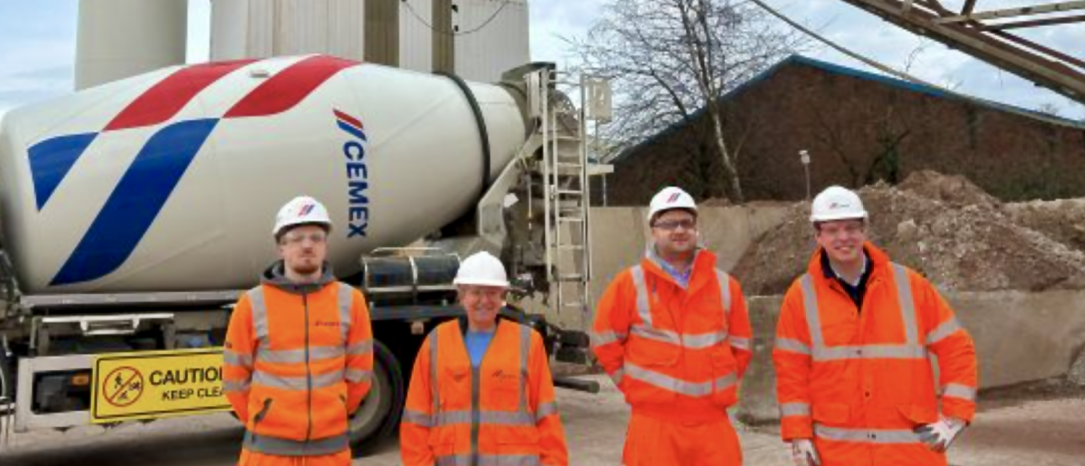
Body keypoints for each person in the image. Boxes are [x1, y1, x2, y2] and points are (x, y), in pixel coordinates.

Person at [774, 186, 978, 466]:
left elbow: (957, 347)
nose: (843, 237)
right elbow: (791, 370)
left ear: (865, 230)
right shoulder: (800, 296)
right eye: (832, 230)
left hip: (909, 453)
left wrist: (955, 417)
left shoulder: (909, 285)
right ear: (818, 235)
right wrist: (798, 434)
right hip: (839, 453)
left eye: (851, 227)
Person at [591, 186, 753, 466]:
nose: (679, 230)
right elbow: (604, 341)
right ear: (653, 230)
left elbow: (741, 347)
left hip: (712, 426)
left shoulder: (726, 287)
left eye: (686, 223)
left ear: (696, 229)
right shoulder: (629, 284)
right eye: (668, 224)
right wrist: (632, 385)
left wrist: (713, 387)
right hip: (654, 426)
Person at [222, 196, 374, 465]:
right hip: (266, 452)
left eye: (316, 238)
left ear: (325, 246)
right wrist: (263, 418)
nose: (307, 245)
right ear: (281, 248)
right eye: (297, 238)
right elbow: (235, 379)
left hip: (330, 450)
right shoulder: (252, 304)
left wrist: (333, 411)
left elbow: (360, 373)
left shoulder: (350, 301)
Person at [400, 251, 569, 466]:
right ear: (461, 296)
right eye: (475, 292)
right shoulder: (436, 342)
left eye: (492, 293)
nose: (484, 301)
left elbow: (547, 419)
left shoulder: (528, 343)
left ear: (503, 297)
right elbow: (415, 421)